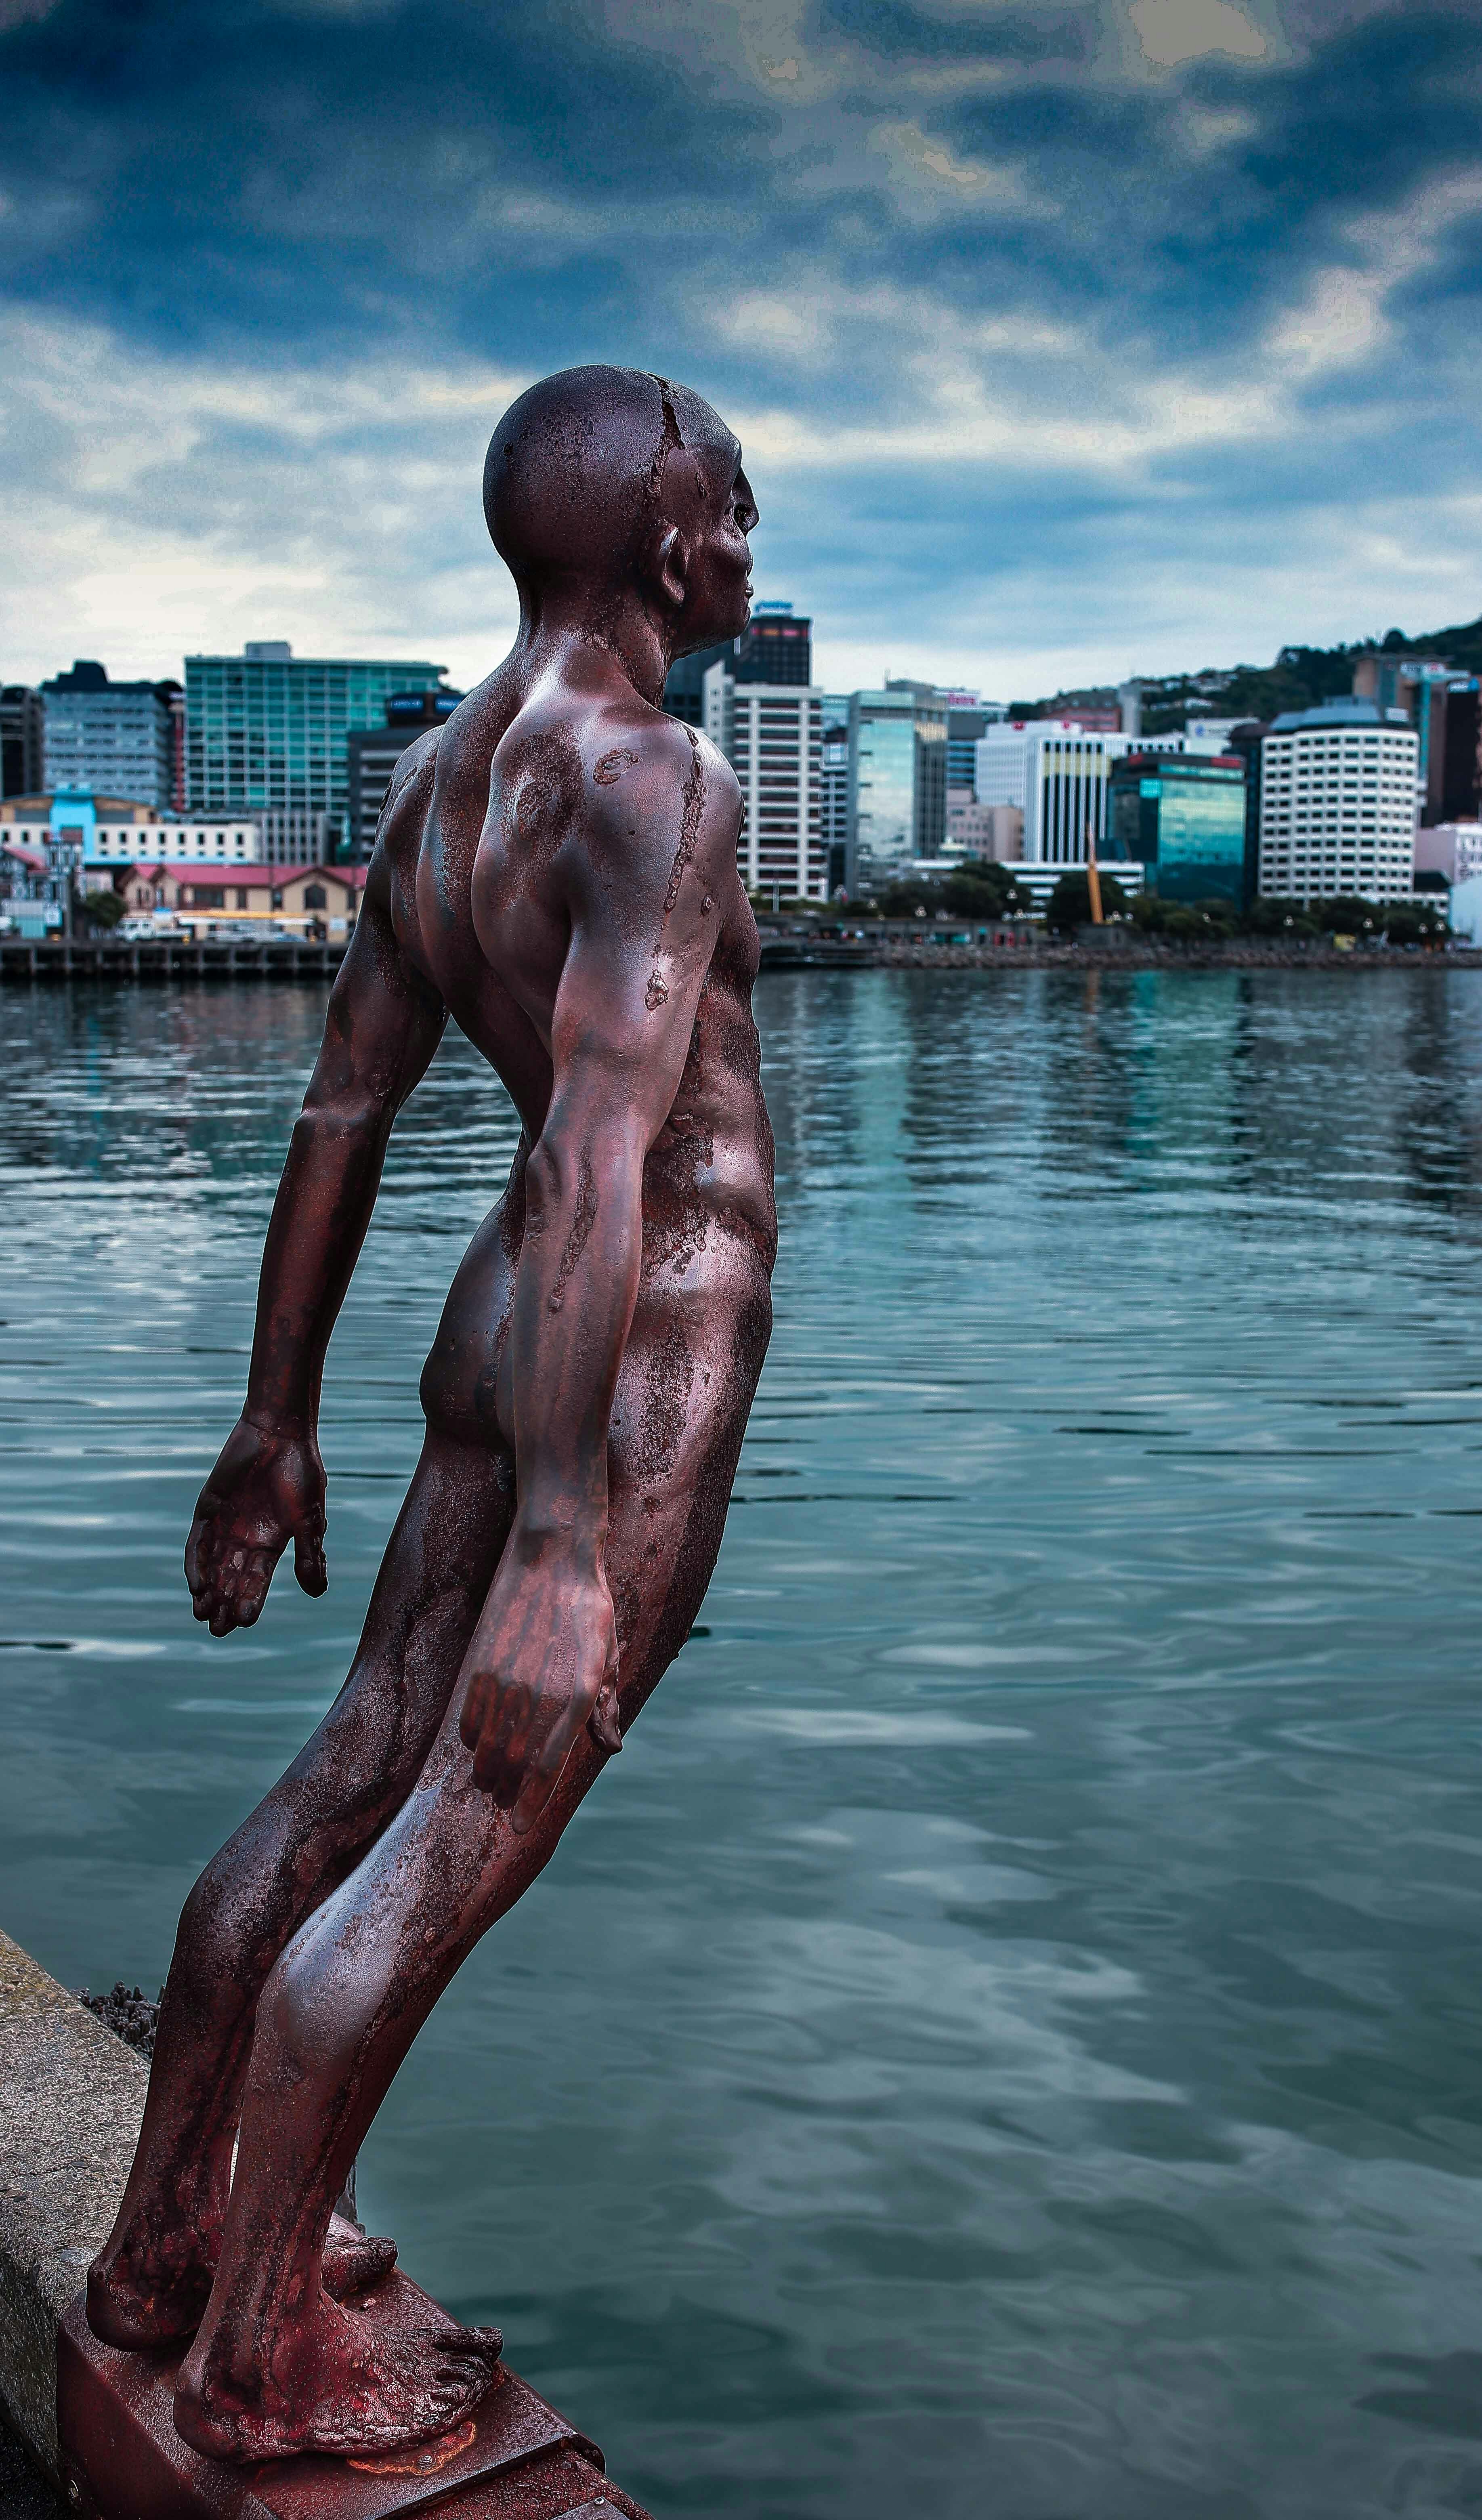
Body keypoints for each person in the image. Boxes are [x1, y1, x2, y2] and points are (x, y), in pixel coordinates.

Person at [85, 366, 776, 2463]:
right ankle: (262, 2351)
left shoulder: (437, 787)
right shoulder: (657, 779)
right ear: (669, 543)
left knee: (353, 1768)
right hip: (631, 1330)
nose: (753, 545)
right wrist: (569, 1543)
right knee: (460, 1830)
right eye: (739, 509)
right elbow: (596, 1156)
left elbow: (343, 1110)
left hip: (498, 1324)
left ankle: (169, 2245)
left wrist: (271, 1422)